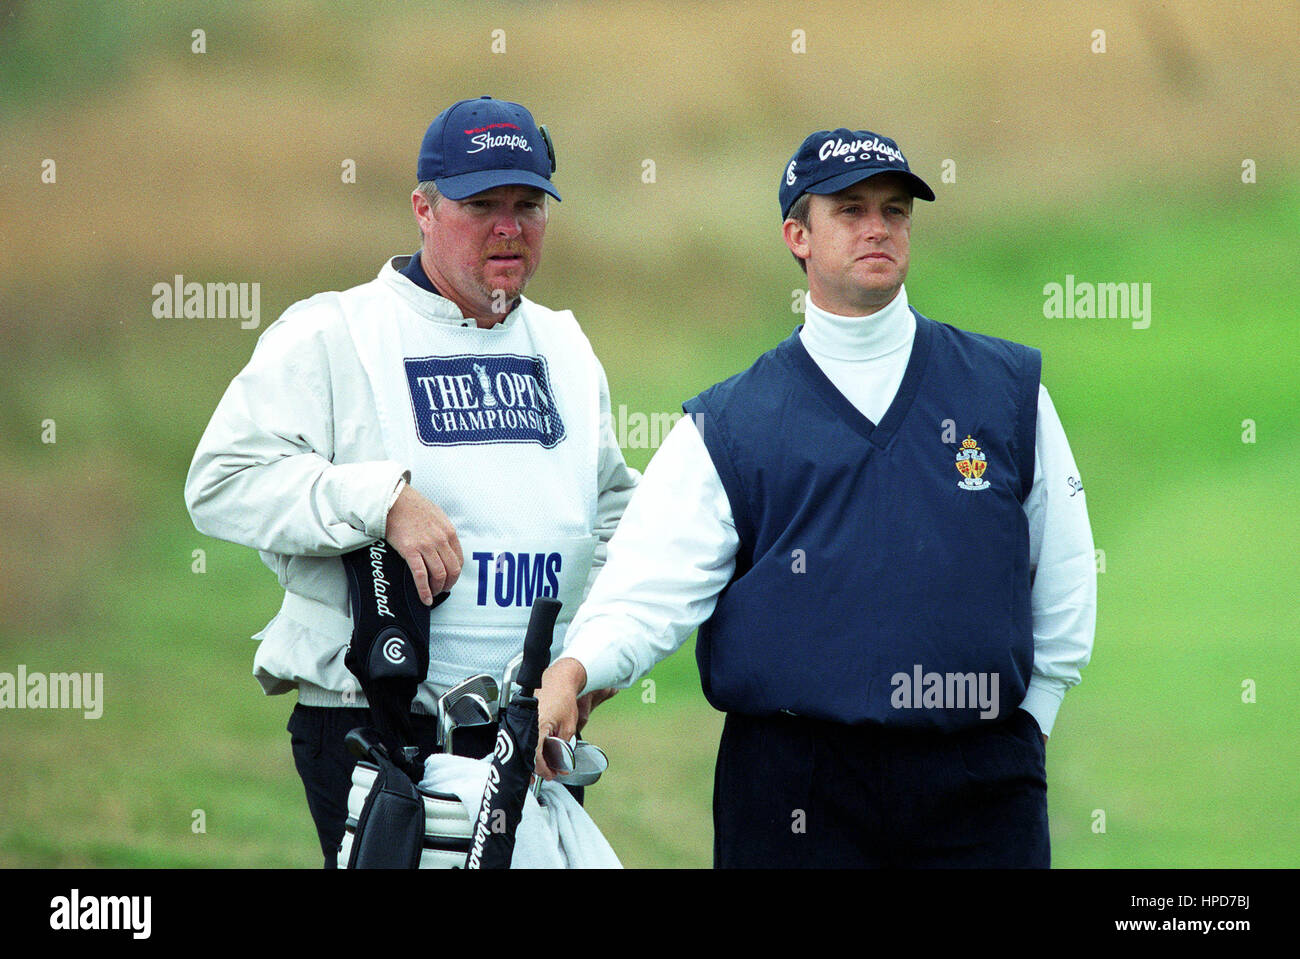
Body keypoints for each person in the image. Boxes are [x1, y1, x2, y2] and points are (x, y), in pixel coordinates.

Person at [536, 128, 1096, 868]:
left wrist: (1035, 719)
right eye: (851, 209)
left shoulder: (1005, 389)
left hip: (981, 781)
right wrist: (577, 669)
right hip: (791, 786)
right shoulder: (733, 422)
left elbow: (1061, 568)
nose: (878, 227)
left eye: (895, 211)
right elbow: (650, 584)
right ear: (797, 235)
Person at [185, 96, 637, 868]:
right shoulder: (335, 332)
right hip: (380, 727)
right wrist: (382, 501)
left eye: (528, 204)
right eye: (480, 203)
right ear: (423, 209)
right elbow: (223, 480)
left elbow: (617, 511)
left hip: (529, 735)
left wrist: (594, 656)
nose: (509, 225)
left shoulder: (564, 343)